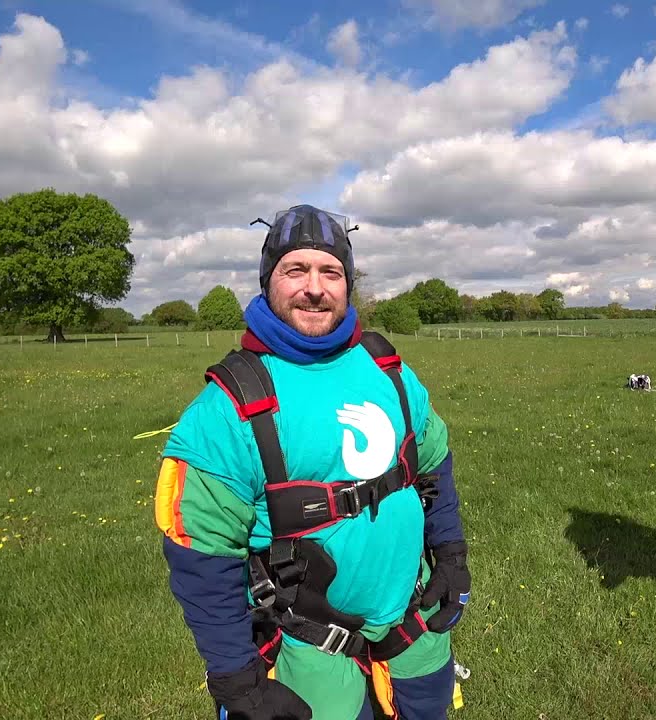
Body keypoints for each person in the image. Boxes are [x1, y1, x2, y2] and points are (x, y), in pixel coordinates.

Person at [153, 204, 470, 720]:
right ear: (268, 281)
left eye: (331, 272)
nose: (315, 288)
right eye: (295, 270)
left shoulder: (386, 369)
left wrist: (451, 555)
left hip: (415, 636)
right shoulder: (230, 405)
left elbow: (433, 464)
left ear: (348, 284)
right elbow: (200, 557)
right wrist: (239, 683)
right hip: (308, 654)